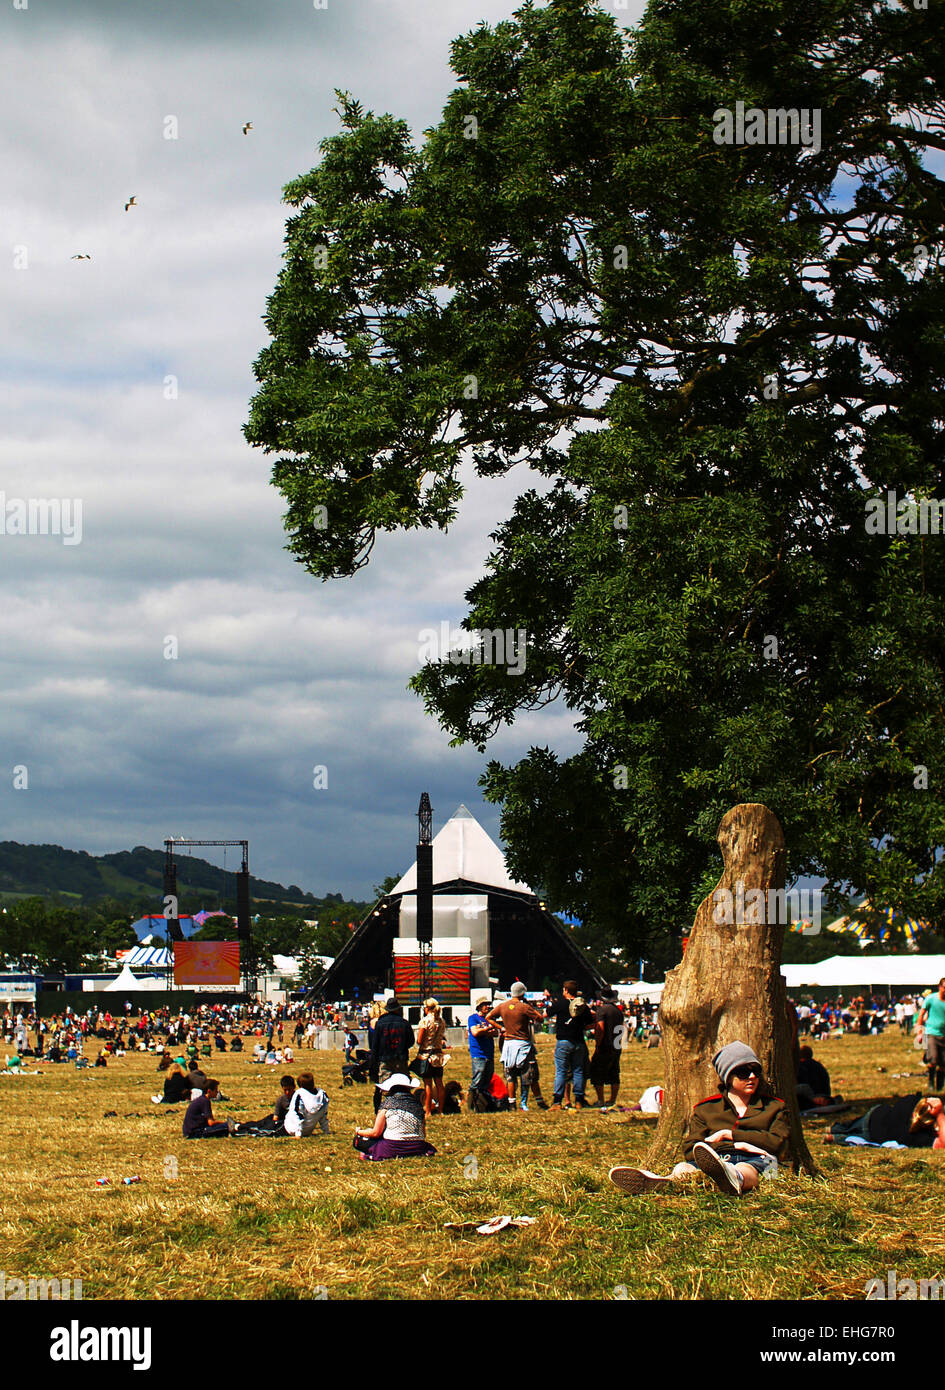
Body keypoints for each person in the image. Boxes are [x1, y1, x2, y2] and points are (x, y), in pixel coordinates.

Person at [609, 1041, 790, 1196]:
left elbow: (776, 1143)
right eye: (743, 1072)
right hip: (716, 1162)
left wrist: (732, 1137)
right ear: (727, 1076)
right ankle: (663, 1182)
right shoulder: (706, 1109)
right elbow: (691, 1148)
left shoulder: (774, 1107)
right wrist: (724, 1151)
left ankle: (734, 1179)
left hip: (760, 1161)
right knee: (684, 1168)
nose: (752, 1077)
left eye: (756, 1071)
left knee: (745, 1169)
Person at [487, 983, 545, 1111]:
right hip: (523, 1044)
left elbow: (488, 1017)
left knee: (510, 1076)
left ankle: (511, 1102)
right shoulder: (524, 1007)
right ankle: (525, 1102)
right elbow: (540, 1019)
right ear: (522, 993)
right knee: (527, 1074)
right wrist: (530, 1007)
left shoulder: (503, 1006)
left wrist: (501, 1028)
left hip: (508, 1044)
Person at [353, 1074, 437, 1160]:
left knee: (359, 1140)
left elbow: (376, 1133)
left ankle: (369, 1153)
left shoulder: (387, 1104)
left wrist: (359, 1132)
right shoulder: (417, 1105)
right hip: (418, 1146)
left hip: (393, 1146)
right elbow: (423, 1133)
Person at [827, 1093, 944, 1148]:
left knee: (851, 1126)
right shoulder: (919, 1137)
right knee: (858, 1139)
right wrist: (939, 1115)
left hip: (875, 1115)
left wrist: (937, 1108)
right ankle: (836, 1138)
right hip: (875, 1134)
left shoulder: (912, 1101)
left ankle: (834, 1129)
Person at [549, 981, 593, 1110]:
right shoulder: (582, 1005)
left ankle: (557, 1101)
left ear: (566, 991)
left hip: (563, 1041)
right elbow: (590, 1021)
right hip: (579, 1041)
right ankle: (579, 1100)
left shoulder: (561, 1003)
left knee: (561, 1071)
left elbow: (548, 1012)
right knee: (578, 1071)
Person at [369, 998, 415, 1091]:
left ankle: (388, 1104)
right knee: (403, 1085)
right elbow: (411, 1041)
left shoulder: (380, 1023)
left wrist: (374, 1060)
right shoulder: (404, 1023)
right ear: (398, 1009)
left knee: (386, 1087)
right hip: (401, 1059)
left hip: (385, 1059)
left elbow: (375, 1044)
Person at [590, 989, 625, 1108]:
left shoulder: (602, 1011)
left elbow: (601, 1028)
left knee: (597, 1072)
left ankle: (601, 1100)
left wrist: (598, 1044)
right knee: (614, 1072)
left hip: (605, 1045)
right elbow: (620, 1029)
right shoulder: (618, 1011)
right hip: (616, 1044)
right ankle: (612, 1099)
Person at [414, 998, 448, 1116]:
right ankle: (441, 1110)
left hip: (426, 1054)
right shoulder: (442, 1021)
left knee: (428, 1084)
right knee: (439, 1082)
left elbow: (419, 1040)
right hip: (438, 1055)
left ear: (426, 1008)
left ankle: (428, 1111)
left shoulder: (425, 1021)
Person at [467, 998, 499, 1109]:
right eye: (485, 1005)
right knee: (477, 1078)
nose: (488, 1007)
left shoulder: (490, 1019)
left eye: (488, 1004)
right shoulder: (473, 1018)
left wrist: (485, 1030)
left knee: (487, 1078)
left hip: (489, 1053)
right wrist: (487, 1030)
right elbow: (475, 1032)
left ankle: (482, 1104)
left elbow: (495, 1033)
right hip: (478, 1053)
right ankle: (471, 1104)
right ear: (479, 1006)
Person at [918, 978, 945, 1094]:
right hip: (932, 1033)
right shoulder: (931, 999)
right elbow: (921, 1014)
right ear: (940, 987)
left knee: (943, 1064)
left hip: (944, 1035)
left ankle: (939, 1084)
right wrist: (919, 1032)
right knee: (933, 1060)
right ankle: (930, 1083)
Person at [284, 1071, 331, 1136]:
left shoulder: (299, 1094)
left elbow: (296, 1114)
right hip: (308, 1131)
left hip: (292, 1129)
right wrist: (327, 1131)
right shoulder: (322, 1095)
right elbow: (323, 1116)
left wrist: (298, 1134)